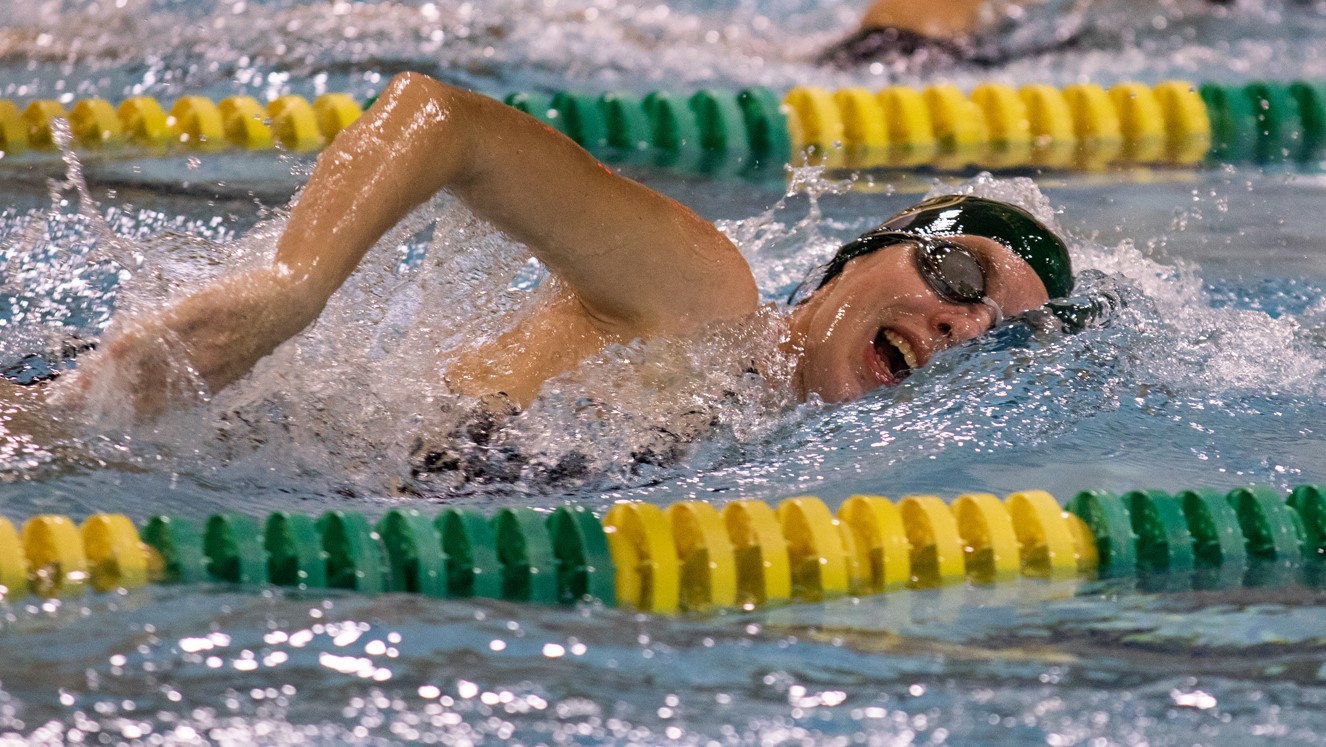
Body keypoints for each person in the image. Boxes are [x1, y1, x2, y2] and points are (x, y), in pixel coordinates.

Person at [6, 73, 1072, 460]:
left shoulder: (770, 429)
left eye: (1000, 332)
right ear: (862, 257)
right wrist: (291, 288)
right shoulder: (707, 296)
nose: (964, 326)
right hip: (181, 415)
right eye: (961, 277)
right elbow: (443, 119)